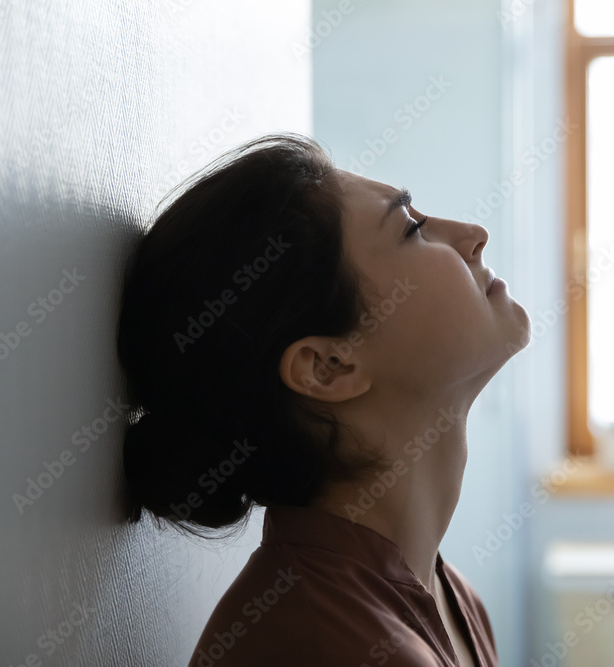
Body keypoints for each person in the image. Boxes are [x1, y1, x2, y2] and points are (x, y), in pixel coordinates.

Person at [116, 132, 531, 666]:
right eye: (412, 228)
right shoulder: (331, 643)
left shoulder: (451, 599)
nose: (474, 235)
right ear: (328, 367)